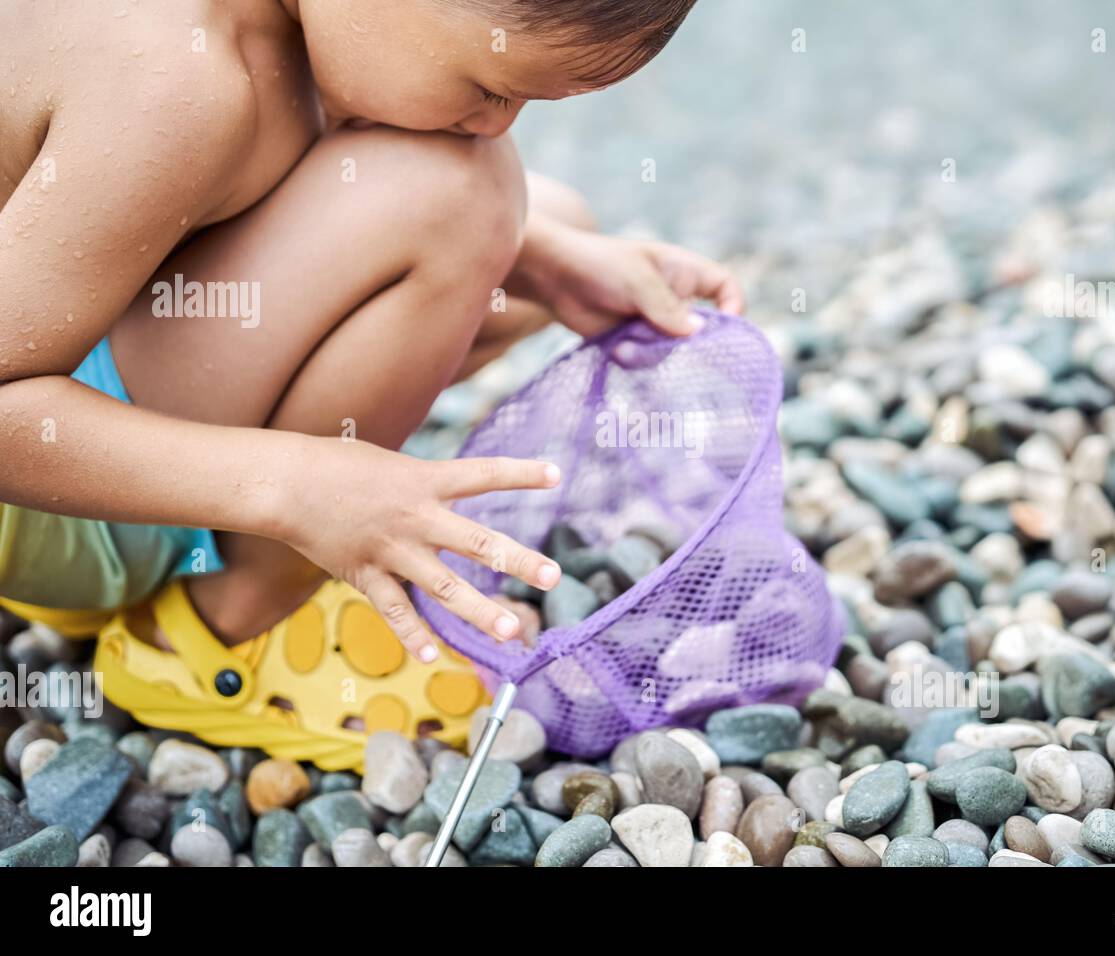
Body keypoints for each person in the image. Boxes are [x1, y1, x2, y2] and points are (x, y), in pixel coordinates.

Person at [0, 0, 744, 768]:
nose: (499, 124)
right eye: (490, 88)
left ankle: (232, 541)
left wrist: (541, 258)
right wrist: (299, 486)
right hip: (39, 504)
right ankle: (219, 626)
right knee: (465, 198)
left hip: (74, 422)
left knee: (539, 216)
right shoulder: (174, 86)